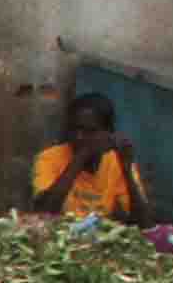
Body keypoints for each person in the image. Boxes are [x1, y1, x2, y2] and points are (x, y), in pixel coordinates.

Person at [22, 91, 150, 222]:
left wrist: (127, 171)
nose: (79, 137)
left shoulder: (116, 162)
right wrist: (81, 156)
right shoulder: (49, 158)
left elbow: (143, 223)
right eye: (74, 129)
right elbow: (42, 213)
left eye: (90, 131)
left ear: (108, 133)